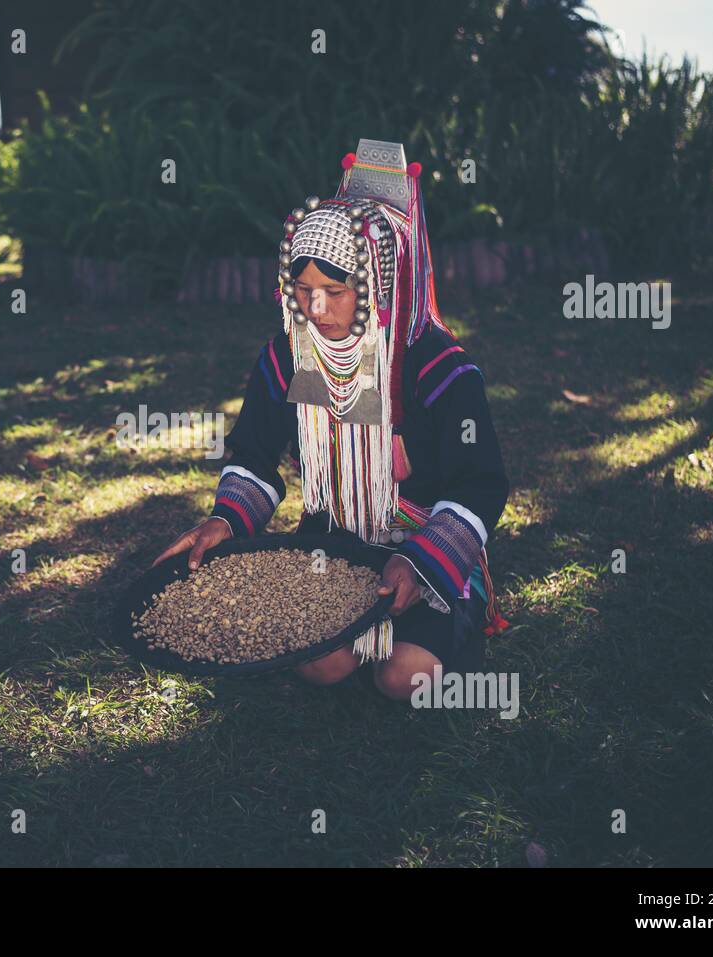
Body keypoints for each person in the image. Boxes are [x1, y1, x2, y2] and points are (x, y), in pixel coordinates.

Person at [154, 139, 511, 700]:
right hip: (333, 545)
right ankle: (354, 643)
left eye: (335, 292)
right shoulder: (288, 357)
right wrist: (227, 519)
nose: (315, 310)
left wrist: (421, 565)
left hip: (420, 545)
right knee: (321, 666)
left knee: (405, 678)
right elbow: (253, 451)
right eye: (303, 291)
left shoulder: (439, 370)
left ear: (377, 289)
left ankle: (446, 624)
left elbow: (481, 482)